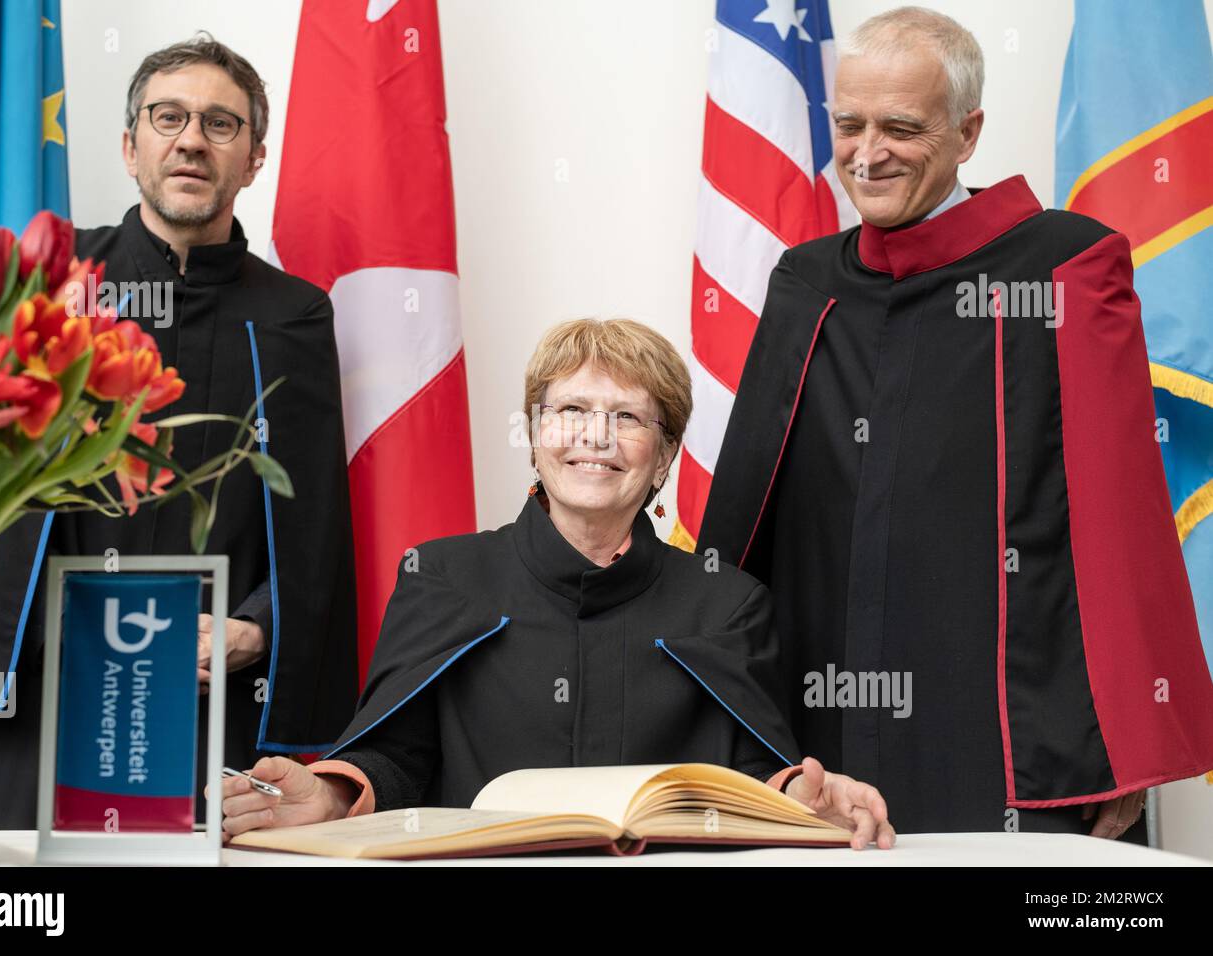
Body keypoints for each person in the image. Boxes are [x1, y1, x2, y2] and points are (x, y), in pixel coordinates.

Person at [695, 6, 1213, 841]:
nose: (867, 154)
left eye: (901, 127)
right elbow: (746, 518)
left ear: (968, 132)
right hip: (819, 746)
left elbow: (1121, 517)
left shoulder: (1063, 266)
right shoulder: (804, 281)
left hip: (1008, 732)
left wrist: (1128, 750)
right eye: (850, 124)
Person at [217, 319, 896, 850]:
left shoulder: (728, 602)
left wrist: (804, 803)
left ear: (662, 460)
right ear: (536, 435)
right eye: (570, 410)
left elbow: (753, 783)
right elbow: (398, 759)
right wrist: (332, 796)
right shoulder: (443, 576)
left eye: (628, 417)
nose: (595, 436)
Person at [0, 34, 357, 828]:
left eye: (222, 124)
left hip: (212, 709)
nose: (192, 138)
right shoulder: (50, 284)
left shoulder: (295, 314)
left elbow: (315, 523)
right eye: (169, 117)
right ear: (130, 146)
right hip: (47, 693)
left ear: (254, 158)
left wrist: (256, 627)